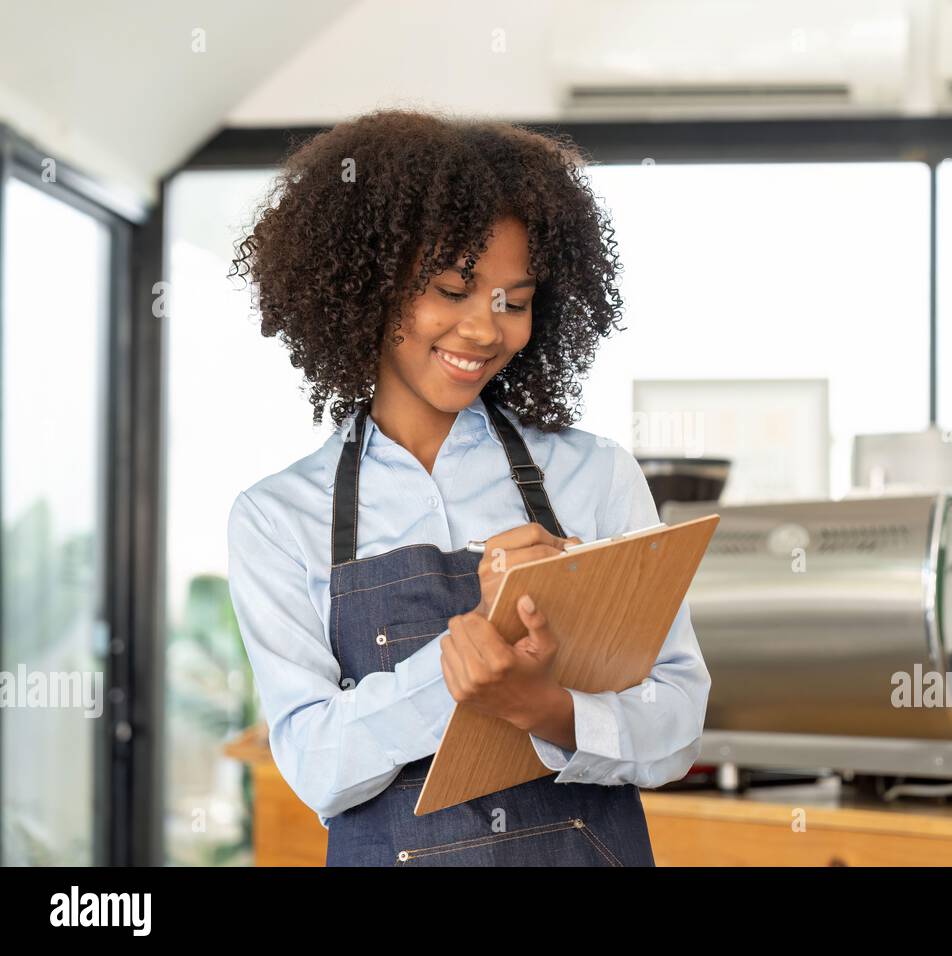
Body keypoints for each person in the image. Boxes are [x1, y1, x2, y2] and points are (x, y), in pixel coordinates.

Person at [225, 109, 710, 866]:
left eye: (512, 302)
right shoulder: (279, 518)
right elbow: (318, 766)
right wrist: (473, 650)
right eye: (453, 290)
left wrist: (545, 708)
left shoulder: (595, 476)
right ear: (369, 289)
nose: (485, 331)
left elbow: (678, 723)